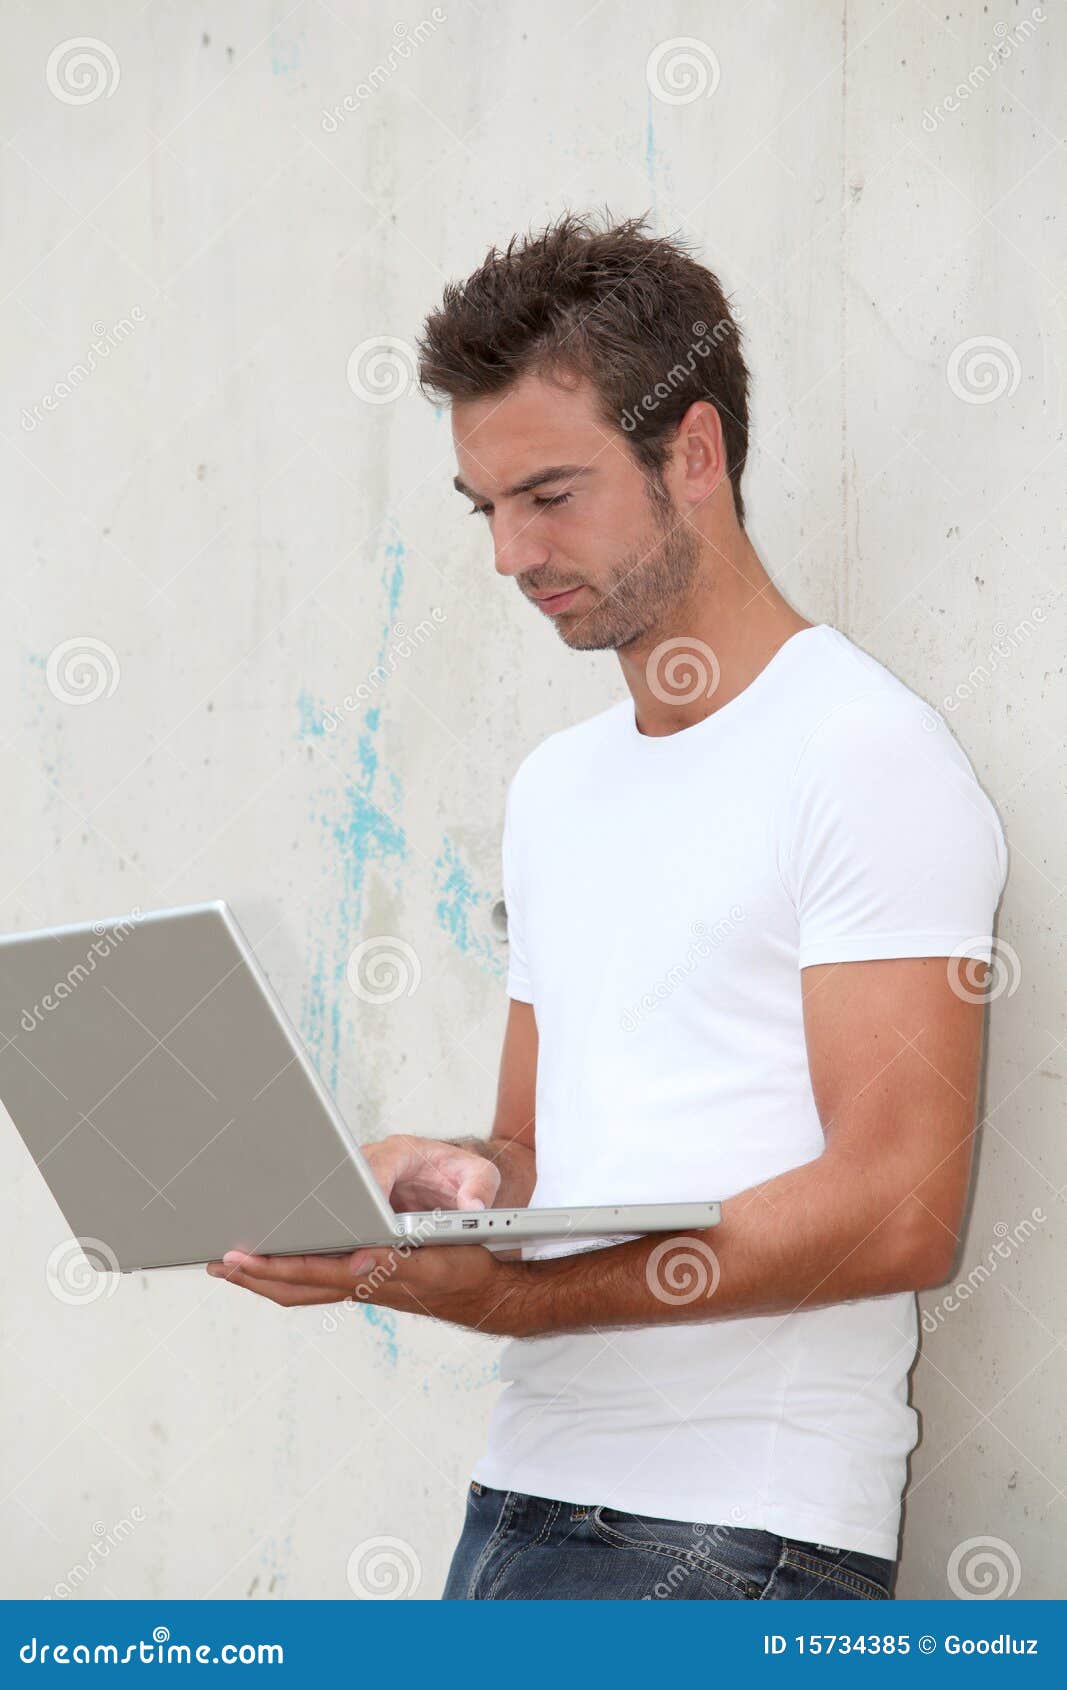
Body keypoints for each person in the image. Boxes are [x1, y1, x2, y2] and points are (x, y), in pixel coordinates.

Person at [210, 213, 1009, 1601]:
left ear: (692, 453)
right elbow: (538, 1156)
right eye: (488, 507)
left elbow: (898, 1208)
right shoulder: (555, 787)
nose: (511, 554)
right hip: (520, 1498)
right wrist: (444, 1190)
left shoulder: (864, 755)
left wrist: (507, 1297)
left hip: (734, 1535)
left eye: (552, 494)